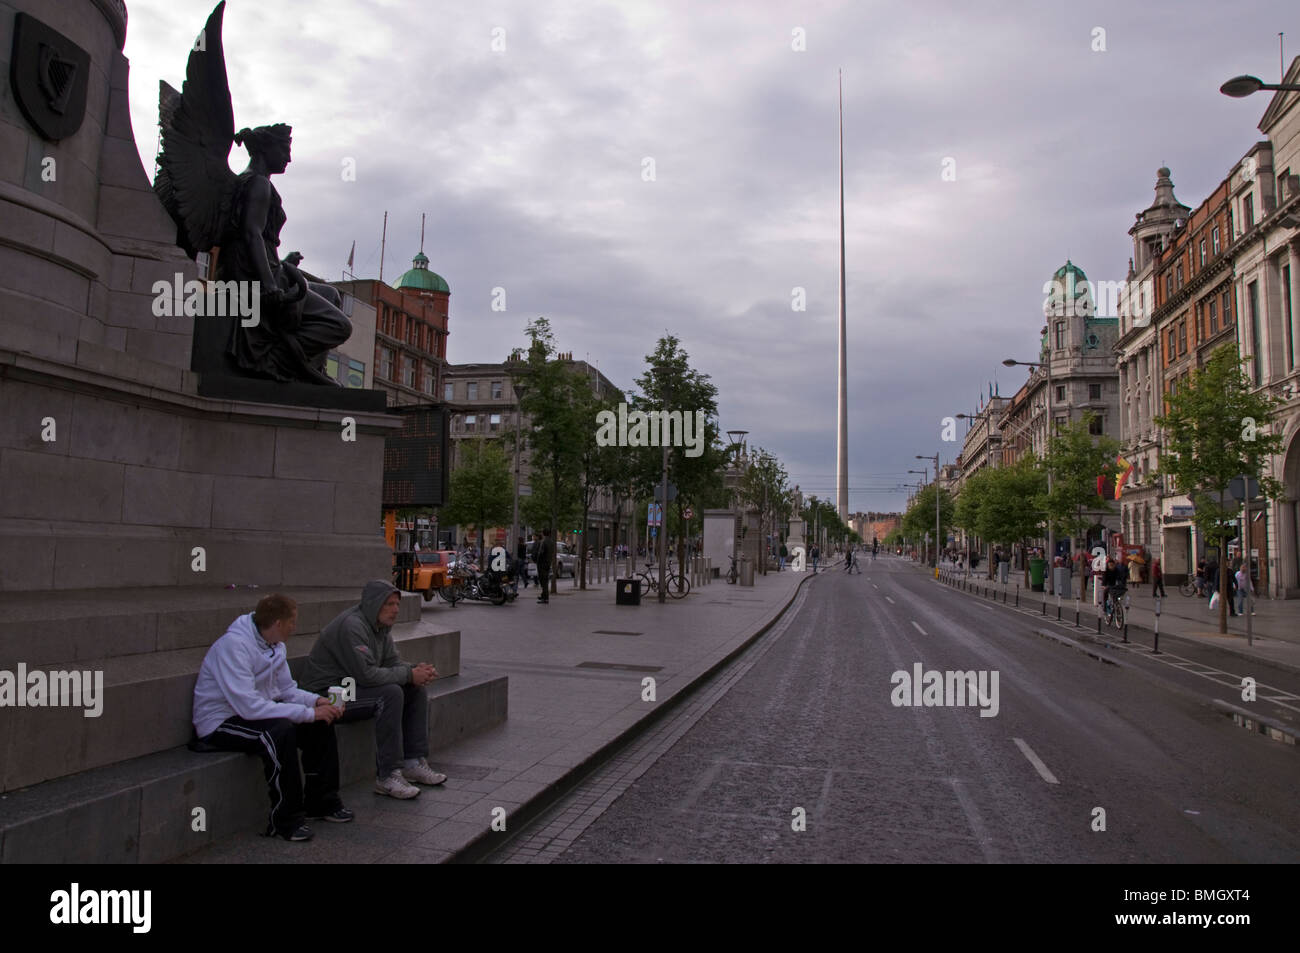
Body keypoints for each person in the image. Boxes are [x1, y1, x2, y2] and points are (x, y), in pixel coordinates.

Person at [191, 593, 349, 842]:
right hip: (220, 722)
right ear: (277, 623)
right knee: (278, 733)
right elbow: (249, 707)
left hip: (253, 712)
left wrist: (315, 702)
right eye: (292, 622)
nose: (294, 628)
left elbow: (286, 691)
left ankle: (322, 802)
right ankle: (285, 821)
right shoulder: (233, 646)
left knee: (320, 723)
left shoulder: (275, 646)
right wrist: (307, 713)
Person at [299, 581, 446, 800]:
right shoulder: (353, 626)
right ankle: (387, 776)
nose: (396, 609)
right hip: (327, 696)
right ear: (373, 604)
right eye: (389, 604)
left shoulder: (380, 627)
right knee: (391, 694)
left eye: (397, 603)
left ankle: (412, 762)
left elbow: (391, 663)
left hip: (351, 687)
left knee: (414, 690)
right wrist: (409, 674)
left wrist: (415, 670)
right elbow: (366, 675)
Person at [535, 529, 554, 603]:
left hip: (542, 563)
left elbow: (541, 553)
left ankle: (545, 598)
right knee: (545, 579)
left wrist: (538, 560)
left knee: (543, 581)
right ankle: (543, 595)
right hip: (548, 563)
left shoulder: (544, 541)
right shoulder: (551, 542)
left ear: (543, 533)